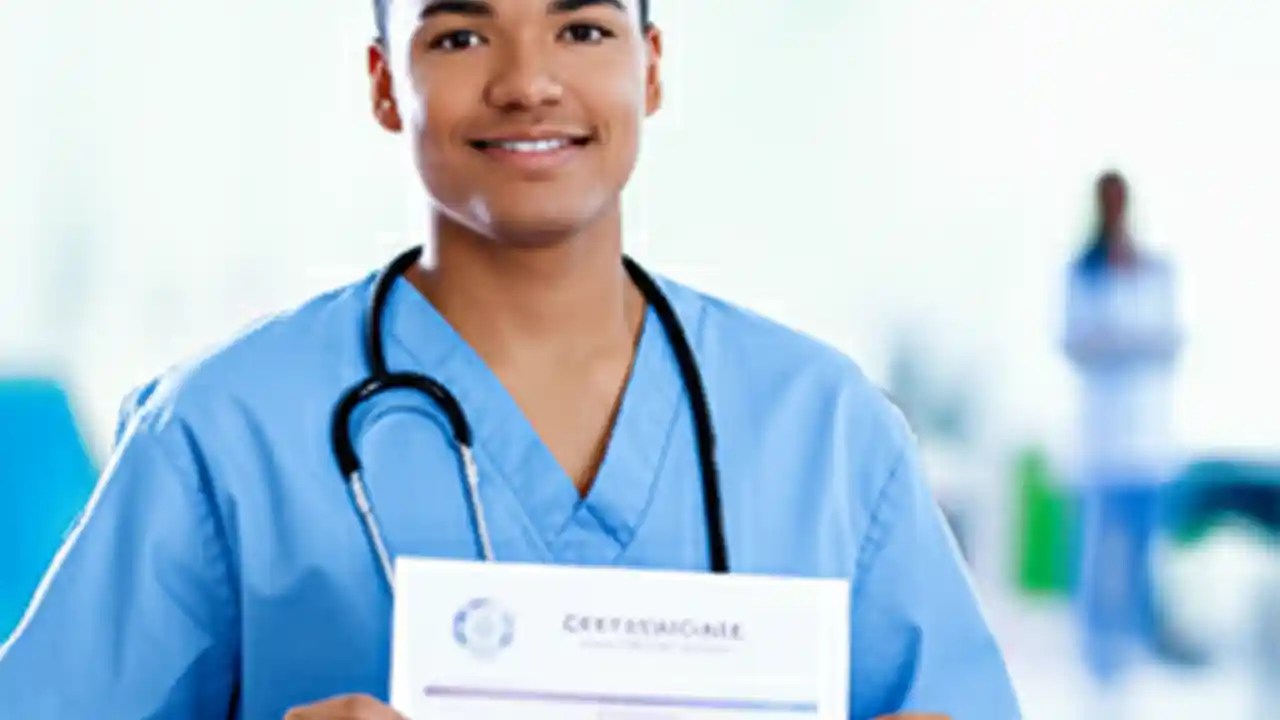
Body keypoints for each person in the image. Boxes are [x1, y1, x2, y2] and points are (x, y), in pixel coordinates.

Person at [0, 1, 1020, 717]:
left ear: (651, 67)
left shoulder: (824, 427)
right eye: (457, 32)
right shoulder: (224, 431)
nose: (527, 81)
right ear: (383, 84)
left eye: (581, 28)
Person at [1063, 170, 1183, 684]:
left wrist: (1118, 342)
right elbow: (1076, 342)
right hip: (1101, 441)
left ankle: (1134, 648)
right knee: (1096, 550)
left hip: (1146, 440)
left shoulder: (1154, 270)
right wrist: (1124, 343)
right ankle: (1096, 653)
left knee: (1140, 550)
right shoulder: (1083, 273)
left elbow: (1170, 340)